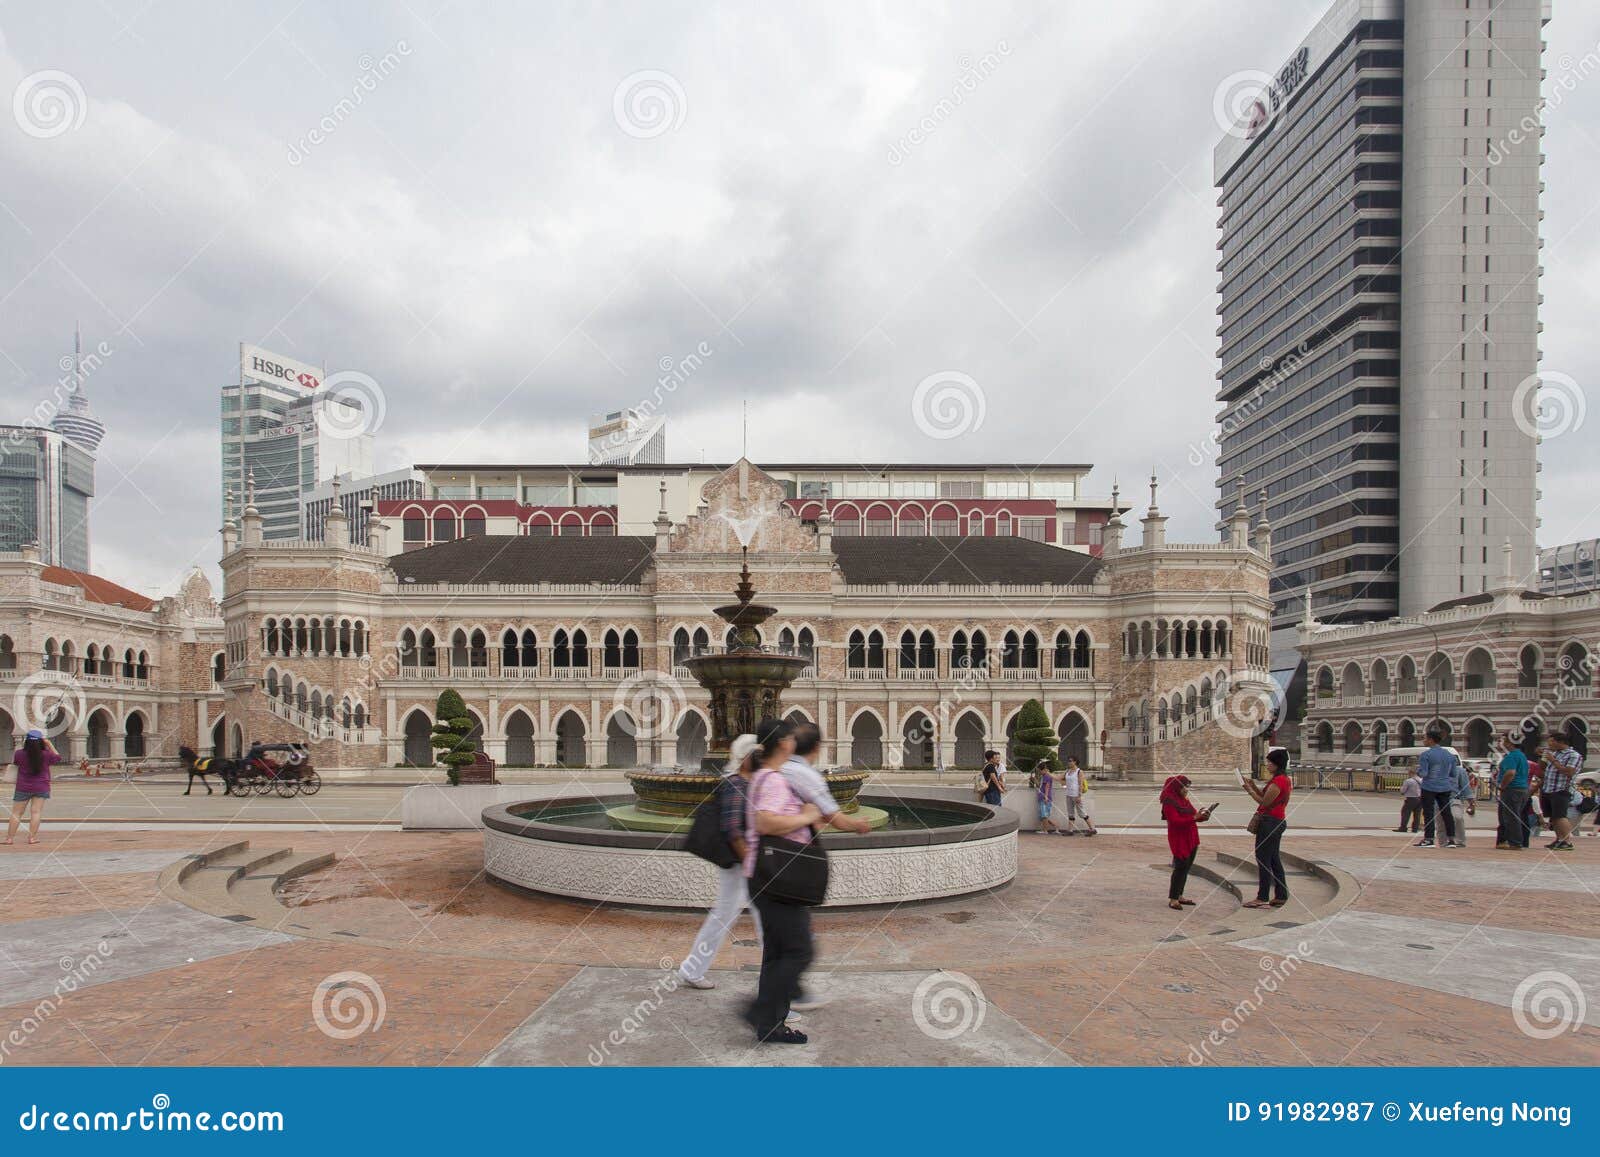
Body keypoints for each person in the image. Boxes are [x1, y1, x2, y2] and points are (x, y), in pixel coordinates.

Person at [775, 720, 869, 1012]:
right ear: (816, 748)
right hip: (791, 859)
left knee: (782, 928)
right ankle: (780, 997)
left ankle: (780, 994)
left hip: (763, 859)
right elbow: (835, 818)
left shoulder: (774, 769)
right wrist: (857, 825)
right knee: (798, 934)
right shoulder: (806, 775)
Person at [743, 718, 820, 1045]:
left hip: (762, 876)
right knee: (799, 951)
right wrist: (807, 816)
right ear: (785, 744)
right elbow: (765, 821)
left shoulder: (761, 776)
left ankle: (771, 1025)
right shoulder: (773, 780)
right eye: (791, 737)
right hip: (778, 878)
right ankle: (762, 1013)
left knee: (776, 952)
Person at [678, 734, 762, 991]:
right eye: (757, 753)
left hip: (744, 861)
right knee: (762, 915)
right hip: (740, 861)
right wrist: (750, 861)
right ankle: (784, 981)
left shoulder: (749, 782)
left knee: (726, 913)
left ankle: (692, 969)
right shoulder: (736, 784)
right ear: (746, 758)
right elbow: (732, 829)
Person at [1242, 747, 1292, 909]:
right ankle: (1281, 894)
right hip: (1276, 821)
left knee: (1263, 859)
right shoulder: (1281, 779)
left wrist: (1249, 791)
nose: (1268, 765)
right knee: (1273, 859)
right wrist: (1253, 786)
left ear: (1277, 764)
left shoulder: (1279, 781)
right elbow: (1264, 795)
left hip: (1270, 822)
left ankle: (1262, 896)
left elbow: (1264, 803)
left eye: (1270, 762)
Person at [1160, 775, 1214, 910]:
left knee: (1186, 867)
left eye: (1187, 787)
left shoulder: (1184, 800)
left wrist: (1202, 815)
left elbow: (1193, 815)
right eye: (1184, 787)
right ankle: (1173, 898)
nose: (1186, 790)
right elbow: (1175, 821)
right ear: (1176, 787)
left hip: (1191, 837)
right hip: (1179, 838)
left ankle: (1179, 895)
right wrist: (1194, 818)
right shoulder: (1169, 801)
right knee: (1180, 867)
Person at [8, 730, 60, 846]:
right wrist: (49, 744)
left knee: (16, 813)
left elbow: (16, 763)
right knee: (36, 812)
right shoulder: (46, 754)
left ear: (26, 741)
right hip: (41, 787)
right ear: (41, 741)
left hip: (22, 787)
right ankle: (32, 838)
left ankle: (9, 838)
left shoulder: (19, 754)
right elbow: (57, 758)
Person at [1413, 729, 1459, 848]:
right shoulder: (1449, 755)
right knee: (1447, 813)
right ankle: (1451, 840)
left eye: (1425, 738)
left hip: (1429, 786)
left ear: (1431, 740)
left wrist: (1417, 770)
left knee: (1428, 813)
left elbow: (1424, 773)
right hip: (1445, 787)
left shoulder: (1426, 755)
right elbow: (1453, 773)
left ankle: (1429, 839)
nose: (1423, 741)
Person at [1540, 731, 1582, 852]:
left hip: (1561, 789)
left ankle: (1567, 841)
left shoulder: (1573, 755)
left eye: (1551, 742)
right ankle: (1559, 839)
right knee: (1553, 816)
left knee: (1560, 816)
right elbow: (1542, 768)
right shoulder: (1555, 753)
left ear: (1561, 742)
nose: (1549, 744)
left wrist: (1553, 760)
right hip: (1549, 788)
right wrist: (1543, 757)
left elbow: (1569, 772)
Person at [1495, 732, 1530, 850]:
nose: (1501, 743)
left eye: (1503, 741)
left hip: (1512, 789)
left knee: (1511, 817)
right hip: (1522, 788)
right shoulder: (1521, 755)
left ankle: (1515, 842)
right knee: (1512, 815)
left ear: (1510, 743)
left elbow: (1510, 773)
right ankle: (1507, 840)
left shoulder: (1511, 756)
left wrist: (1502, 785)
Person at [1059, 755, 1096, 835]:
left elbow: (1080, 784)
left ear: (1075, 762)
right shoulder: (1067, 771)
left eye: (1070, 761)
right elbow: (1059, 778)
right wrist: (1048, 774)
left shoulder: (1079, 771)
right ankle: (1070, 830)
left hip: (1076, 795)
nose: (1069, 762)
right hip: (1069, 794)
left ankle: (1092, 828)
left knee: (1082, 812)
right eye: (1068, 760)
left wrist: (1079, 795)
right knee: (1070, 813)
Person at [1032, 760, 1060, 834]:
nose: (1039, 772)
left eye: (1040, 771)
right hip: (1042, 797)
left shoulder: (1047, 776)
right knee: (1043, 815)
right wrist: (1034, 779)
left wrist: (1046, 796)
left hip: (1045, 798)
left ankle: (1045, 830)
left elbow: (1047, 786)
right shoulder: (1044, 776)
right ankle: (1055, 826)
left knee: (1044, 815)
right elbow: (1040, 785)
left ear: (1044, 769)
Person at [1394, 767, 1423, 833]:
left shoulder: (1408, 781)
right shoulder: (1422, 780)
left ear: (1411, 773)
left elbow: (1403, 790)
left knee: (1405, 813)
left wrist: (1402, 791)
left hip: (1411, 798)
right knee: (1417, 814)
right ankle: (1415, 828)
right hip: (1420, 798)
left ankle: (1403, 827)